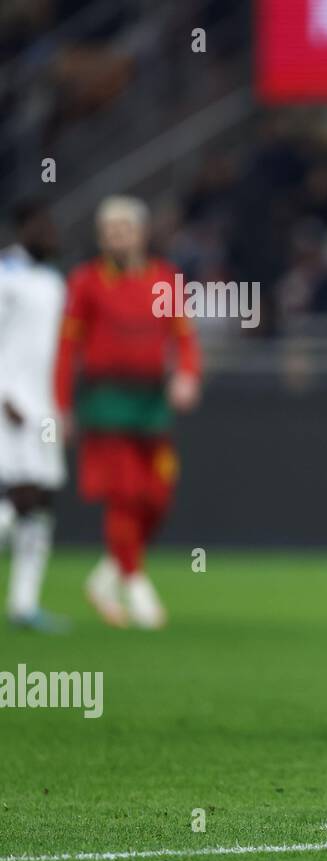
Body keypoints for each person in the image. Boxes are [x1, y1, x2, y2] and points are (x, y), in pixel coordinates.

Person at [55, 196, 202, 628]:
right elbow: (67, 350)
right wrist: (61, 406)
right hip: (106, 403)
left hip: (151, 403)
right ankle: (137, 586)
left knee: (158, 497)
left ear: (141, 232)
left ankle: (108, 574)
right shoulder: (86, 282)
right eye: (109, 229)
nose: (116, 236)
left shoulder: (164, 279)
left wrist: (188, 375)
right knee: (125, 494)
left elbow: (185, 338)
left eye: (124, 228)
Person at [0, 202, 68, 632]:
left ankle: (24, 604)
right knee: (20, 495)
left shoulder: (53, 282)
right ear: (23, 228)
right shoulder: (6, 275)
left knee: (41, 499)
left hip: (44, 406)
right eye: (42, 226)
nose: (50, 233)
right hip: (11, 403)